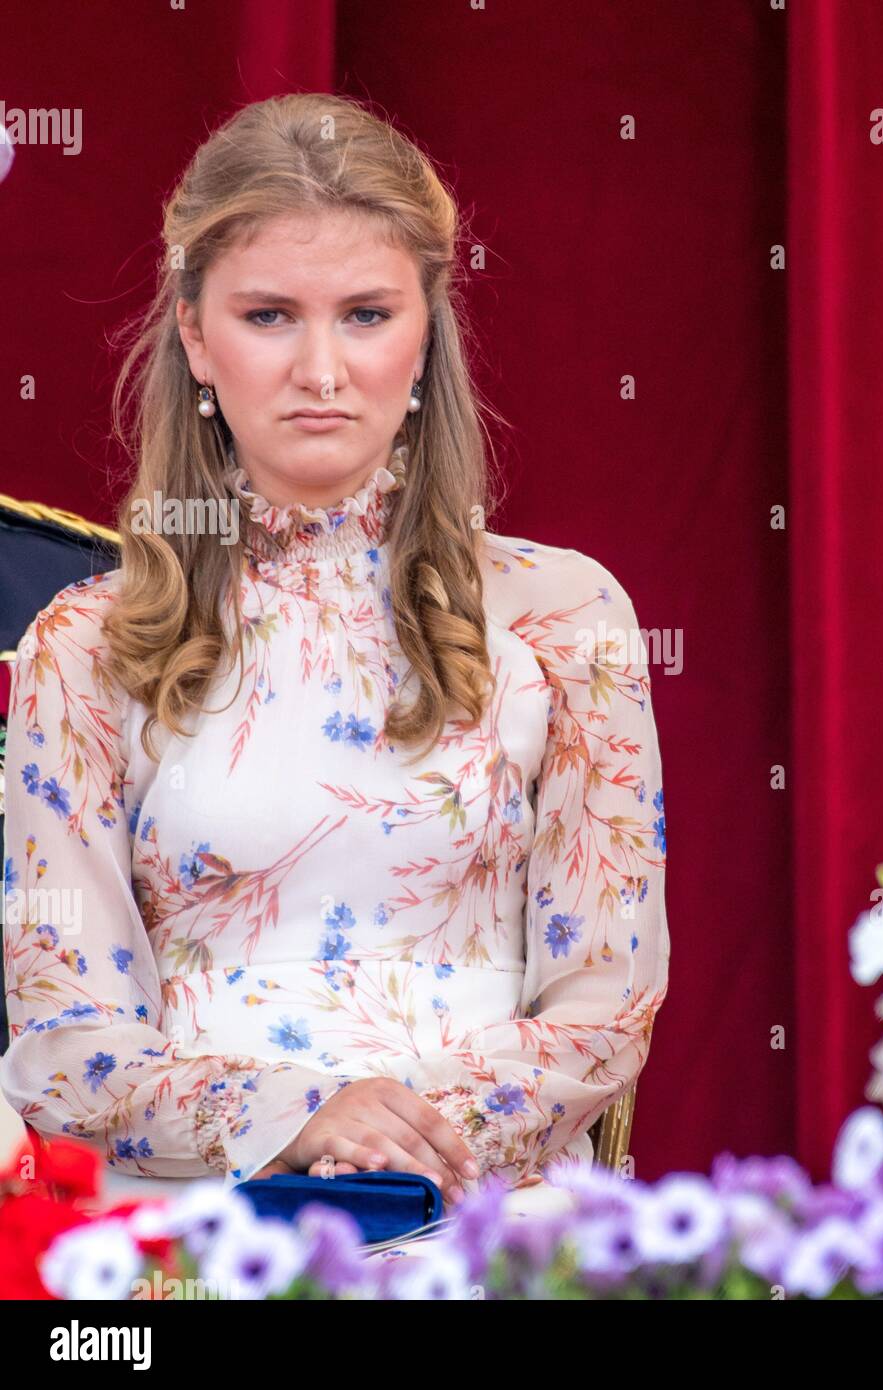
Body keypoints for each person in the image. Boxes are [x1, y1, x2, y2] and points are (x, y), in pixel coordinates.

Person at [0, 93, 669, 1210]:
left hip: (482, 1208)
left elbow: (606, 1007)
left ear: (425, 333)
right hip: (201, 1221)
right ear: (195, 336)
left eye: (365, 314)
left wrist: (396, 1142)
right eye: (270, 316)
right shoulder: (84, 646)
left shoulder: (567, 613)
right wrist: (296, 1119)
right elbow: (67, 1047)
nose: (321, 369)